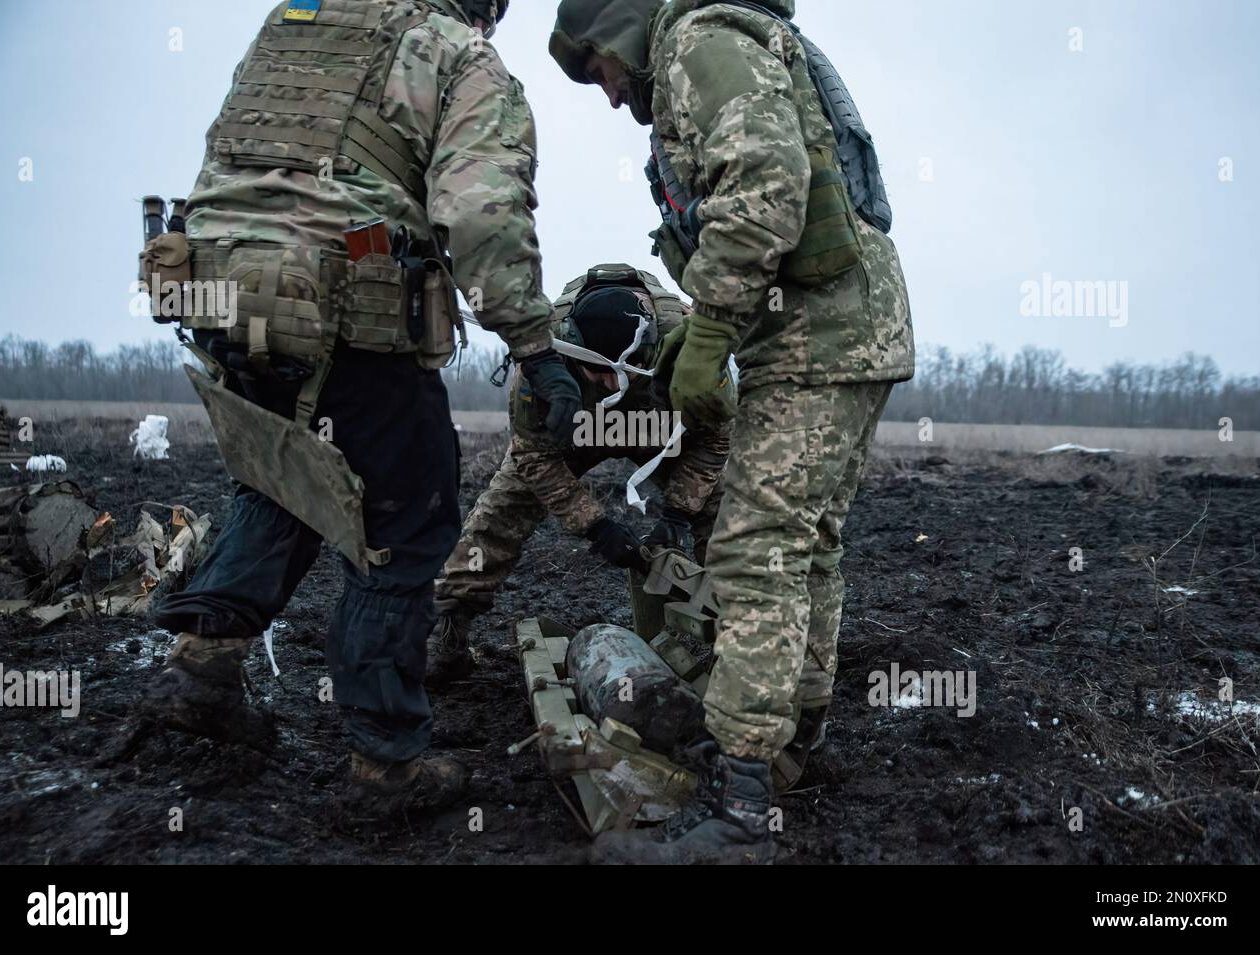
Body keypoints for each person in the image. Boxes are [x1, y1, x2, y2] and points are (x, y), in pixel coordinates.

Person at [141, 0, 582, 812]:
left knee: (282, 483)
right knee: (406, 528)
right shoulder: (457, 55)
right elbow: (481, 214)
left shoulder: (295, 22)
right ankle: (386, 762)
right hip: (347, 305)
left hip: (213, 288)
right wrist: (533, 345)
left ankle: (198, 674)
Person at [549, 0, 916, 861]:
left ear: (621, 31)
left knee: (753, 551)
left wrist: (707, 335)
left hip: (817, 340)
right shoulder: (721, 43)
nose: (608, 95)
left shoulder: (700, 44)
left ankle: (741, 809)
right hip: (850, 332)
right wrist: (695, 334)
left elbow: (764, 188)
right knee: (808, 542)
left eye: (598, 69)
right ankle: (796, 740)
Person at [428, 263, 729, 684]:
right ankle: (446, 632)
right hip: (574, 427)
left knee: (729, 516)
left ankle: (738, 644)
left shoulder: (689, 346)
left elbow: (715, 441)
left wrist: (679, 512)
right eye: (599, 371)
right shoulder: (542, 356)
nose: (611, 385)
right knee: (500, 513)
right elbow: (533, 455)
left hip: (660, 427)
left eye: (624, 371)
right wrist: (595, 524)